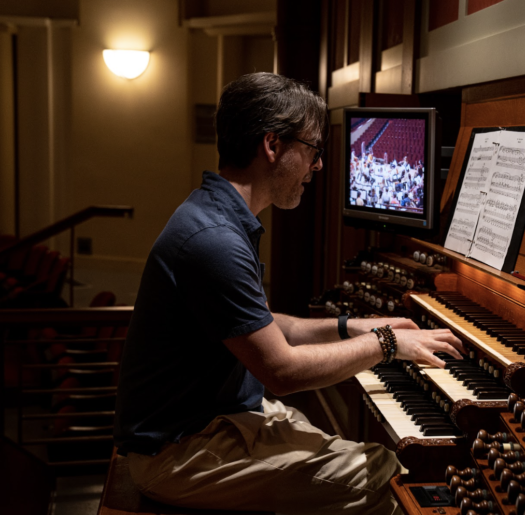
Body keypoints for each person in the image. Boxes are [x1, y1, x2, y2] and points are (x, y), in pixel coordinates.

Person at [113, 72, 463, 515]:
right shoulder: (215, 239)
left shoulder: (217, 213)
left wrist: (351, 324)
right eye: (313, 150)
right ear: (272, 145)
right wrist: (388, 344)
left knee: (348, 451)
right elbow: (282, 370)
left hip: (215, 420)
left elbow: (267, 326)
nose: (317, 166)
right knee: (387, 479)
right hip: (177, 452)